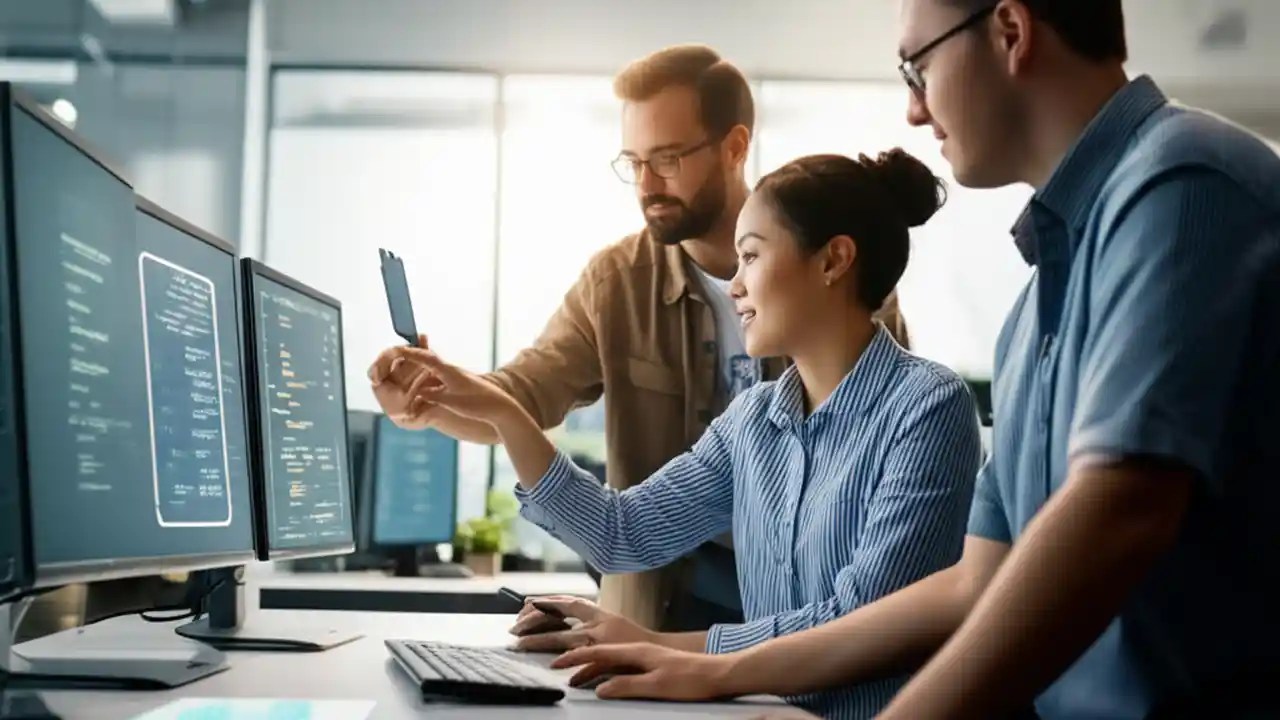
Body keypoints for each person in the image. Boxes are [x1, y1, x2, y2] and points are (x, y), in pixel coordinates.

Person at [542, 1, 1280, 719]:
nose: (914, 111)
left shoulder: (1181, 185)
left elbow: (1117, 515)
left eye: (916, 65)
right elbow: (970, 586)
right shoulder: (1034, 309)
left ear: (1011, 31)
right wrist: (712, 668)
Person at [383, 149, 984, 719]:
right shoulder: (754, 421)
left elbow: (861, 621)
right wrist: (506, 414)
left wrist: (664, 646)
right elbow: (623, 533)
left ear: (832, 261)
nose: (735, 286)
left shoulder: (927, 408)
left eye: (751, 256)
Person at [367, 44, 911, 634]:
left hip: (808, 601)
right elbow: (528, 404)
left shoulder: (848, 292)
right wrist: (436, 397)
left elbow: (877, 447)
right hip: (665, 593)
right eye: (634, 162)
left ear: (734, 147)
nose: (647, 184)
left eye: (669, 158)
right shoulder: (618, 284)